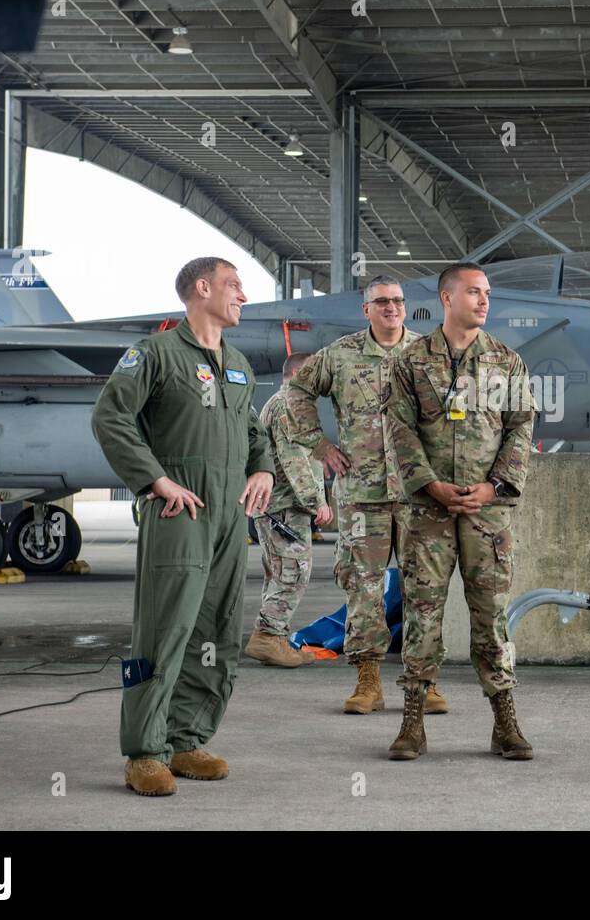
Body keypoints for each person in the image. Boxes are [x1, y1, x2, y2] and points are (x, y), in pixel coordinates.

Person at [92, 256, 274, 797]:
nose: (242, 294)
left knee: (215, 631)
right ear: (202, 288)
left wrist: (261, 467)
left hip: (228, 518)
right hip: (179, 512)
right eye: (233, 284)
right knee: (164, 629)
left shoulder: (237, 363)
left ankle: (187, 739)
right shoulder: (156, 353)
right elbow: (110, 417)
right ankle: (145, 752)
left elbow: (252, 429)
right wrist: (155, 482)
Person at [384, 262, 537, 761]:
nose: (484, 300)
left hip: (486, 515)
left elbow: (520, 426)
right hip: (429, 511)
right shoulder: (411, 361)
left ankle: (505, 723)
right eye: (474, 292)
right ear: (447, 298)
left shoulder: (506, 360)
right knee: (422, 612)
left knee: (491, 616)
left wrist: (495, 487)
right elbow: (398, 427)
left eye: (487, 292)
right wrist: (428, 483)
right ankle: (412, 721)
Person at [285, 275, 450, 714]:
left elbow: (455, 411)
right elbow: (296, 391)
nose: (392, 308)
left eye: (397, 301)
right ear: (366, 309)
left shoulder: (427, 353)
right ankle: (368, 680)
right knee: (364, 587)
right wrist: (320, 446)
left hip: (418, 493)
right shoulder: (339, 355)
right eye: (382, 302)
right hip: (363, 493)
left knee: (424, 588)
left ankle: (423, 682)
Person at [243, 352, 334, 668]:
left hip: (277, 506)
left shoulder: (284, 404)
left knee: (281, 573)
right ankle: (268, 637)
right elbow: (293, 462)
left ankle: (275, 637)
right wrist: (317, 503)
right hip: (285, 507)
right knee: (294, 572)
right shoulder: (288, 407)